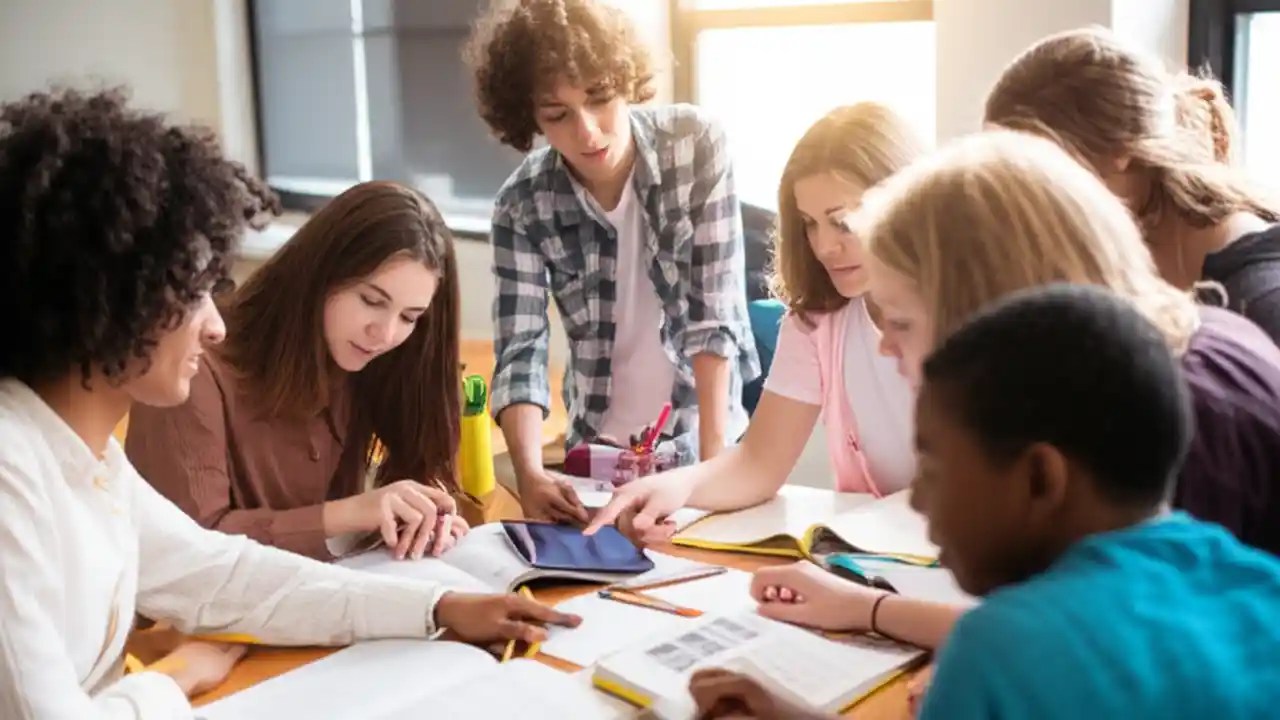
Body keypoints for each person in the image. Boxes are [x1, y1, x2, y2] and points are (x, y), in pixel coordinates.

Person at [0, 87, 579, 719]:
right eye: (192, 294)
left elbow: (225, 574)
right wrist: (174, 680)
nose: (214, 325)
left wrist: (436, 607)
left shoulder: (91, 460)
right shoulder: (11, 471)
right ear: (110, 299)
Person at [689, 284, 1280, 720]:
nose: (918, 499)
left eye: (937, 467)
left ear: (1040, 478)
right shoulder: (1257, 585)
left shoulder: (1001, 651)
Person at [466, 0, 760, 523]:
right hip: (596, 459)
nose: (588, 132)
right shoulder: (522, 204)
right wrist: (531, 473)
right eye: (557, 115)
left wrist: (710, 472)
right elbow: (522, 350)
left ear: (624, 79)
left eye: (599, 98)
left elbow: (713, 317)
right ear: (529, 117)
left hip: (699, 444)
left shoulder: (695, 146)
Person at [585, 104, 926, 542]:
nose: (823, 246)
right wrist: (674, 486)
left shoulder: (977, 314)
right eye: (809, 224)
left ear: (906, 201)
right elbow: (758, 462)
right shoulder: (818, 324)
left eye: (842, 222)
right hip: (881, 559)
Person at [127, 181, 469, 562]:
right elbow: (187, 552)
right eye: (371, 301)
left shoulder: (368, 356)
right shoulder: (193, 366)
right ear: (321, 273)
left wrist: (418, 517)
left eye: (410, 317)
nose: (386, 334)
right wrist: (349, 514)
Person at [985, 26, 1280, 342]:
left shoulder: (1264, 301)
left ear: (1119, 151)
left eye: (1034, 178)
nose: (1020, 212)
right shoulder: (1154, 289)